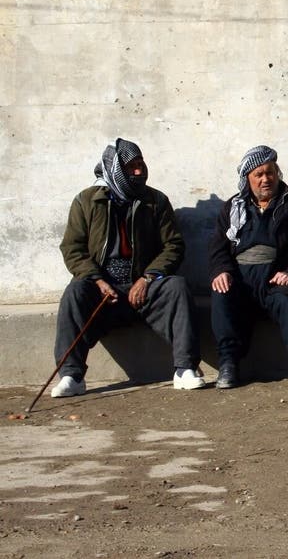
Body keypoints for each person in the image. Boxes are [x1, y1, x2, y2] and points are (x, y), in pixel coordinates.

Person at [52, 138, 205, 397]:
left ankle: (185, 369)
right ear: (115, 170)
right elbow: (72, 249)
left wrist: (147, 278)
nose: (138, 171)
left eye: (141, 164)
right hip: (101, 288)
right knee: (75, 293)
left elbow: (173, 246)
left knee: (176, 286)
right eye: (131, 166)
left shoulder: (155, 201)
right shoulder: (86, 201)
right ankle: (71, 375)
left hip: (142, 286)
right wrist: (98, 281)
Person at [209, 146, 288, 389]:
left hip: (277, 280)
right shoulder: (233, 208)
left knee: (287, 301)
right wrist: (222, 271)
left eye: (270, 173)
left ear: (277, 173)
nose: (265, 179)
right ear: (247, 179)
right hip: (240, 280)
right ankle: (228, 363)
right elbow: (219, 247)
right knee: (221, 295)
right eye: (258, 175)